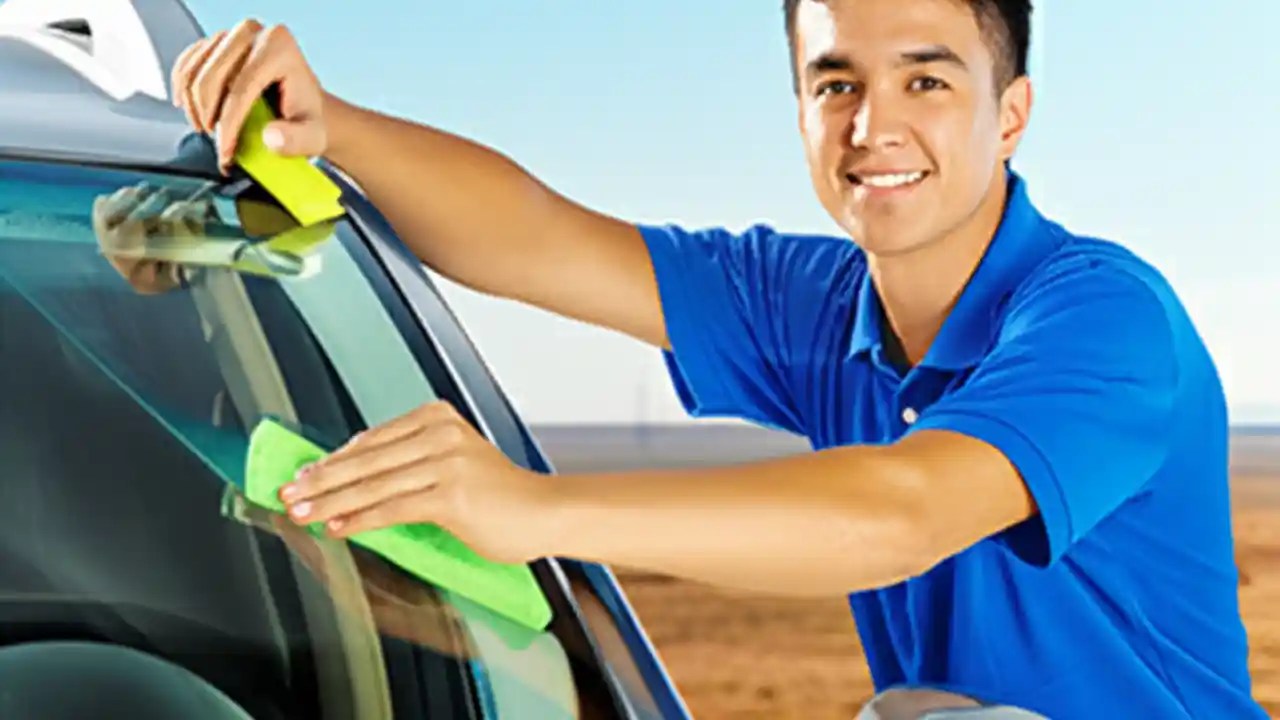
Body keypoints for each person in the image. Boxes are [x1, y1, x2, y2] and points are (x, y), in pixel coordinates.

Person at [167, 1, 1265, 717]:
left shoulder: (1105, 320)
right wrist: (334, 125)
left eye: (924, 82)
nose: (871, 127)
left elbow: (902, 513)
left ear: (1010, 113)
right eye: (834, 84)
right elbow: (542, 238)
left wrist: (532, 509)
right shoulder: (813, 298)